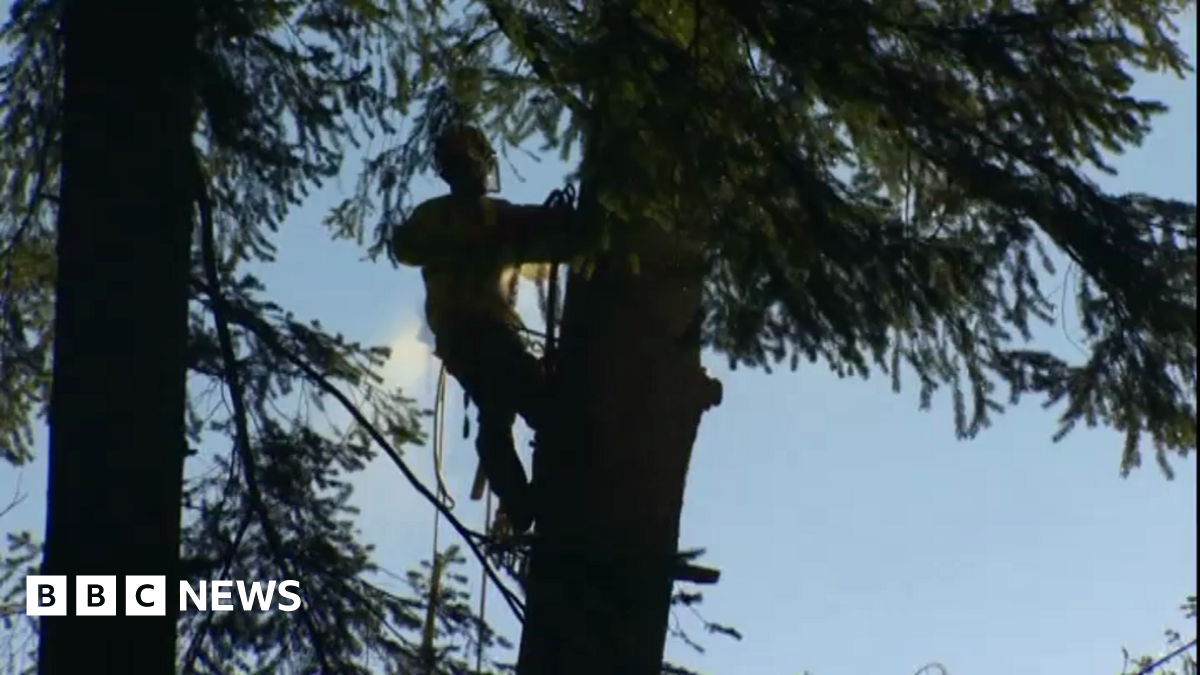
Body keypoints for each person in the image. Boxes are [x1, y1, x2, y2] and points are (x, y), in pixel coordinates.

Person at [391, 125, 577, 533]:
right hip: (484, 335)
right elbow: (544, 239)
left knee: (496, 416)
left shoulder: (444, 218)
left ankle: (522, 503)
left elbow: (404, 246)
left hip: (462, 343)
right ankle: (535, 499)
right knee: (537, 404)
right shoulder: (485, 218)